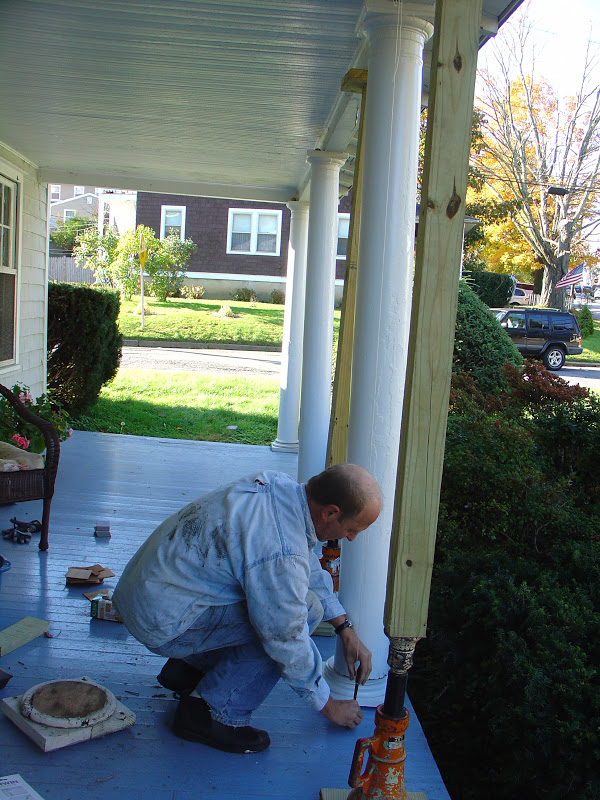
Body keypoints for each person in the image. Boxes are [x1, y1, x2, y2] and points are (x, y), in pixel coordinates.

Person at [113, 463, 381, 754]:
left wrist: (344, 627)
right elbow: (285, 636)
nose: (352, 538)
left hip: (148, 591)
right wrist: (328, 706)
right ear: (330, 512)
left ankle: (188, 670)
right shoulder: (280, 547)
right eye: (352, 529)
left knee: (292, 604)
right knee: (299, 616)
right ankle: (209, 713)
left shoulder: (278, 487)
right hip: (163, 622)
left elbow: (302, 564)